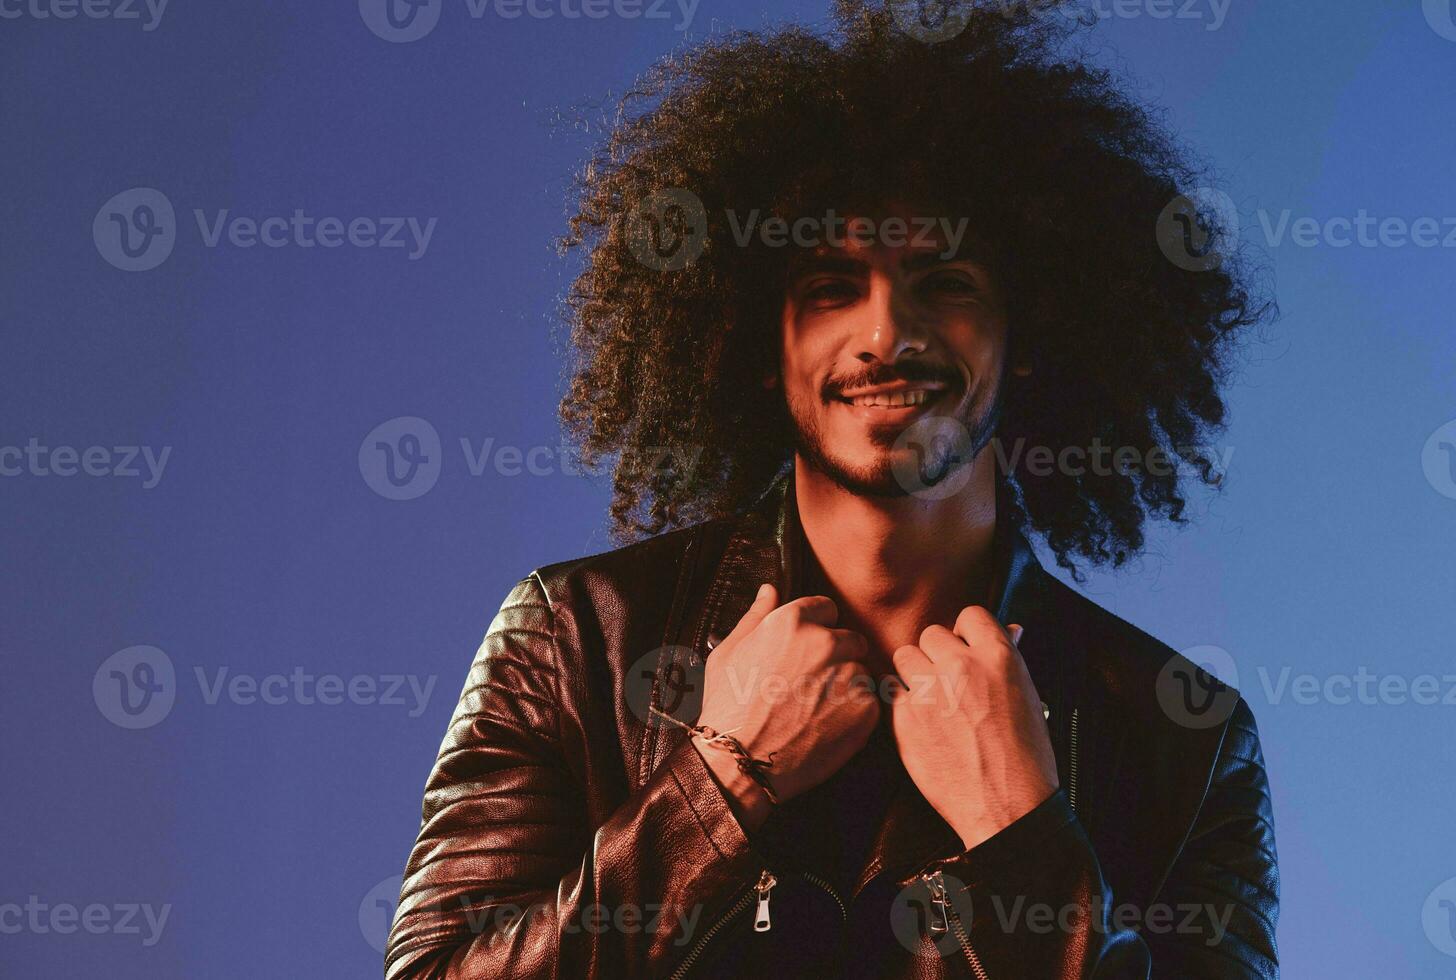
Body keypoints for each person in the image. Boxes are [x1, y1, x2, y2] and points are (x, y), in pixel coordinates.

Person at [385, 3, 1280, 977]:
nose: (886, 332)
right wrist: (713, 786)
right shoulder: (578, 640)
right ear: (757, 349)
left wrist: (1020, 829)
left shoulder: (1180, 736)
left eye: (945, 281)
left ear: (1032, 337)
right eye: (828, 287)